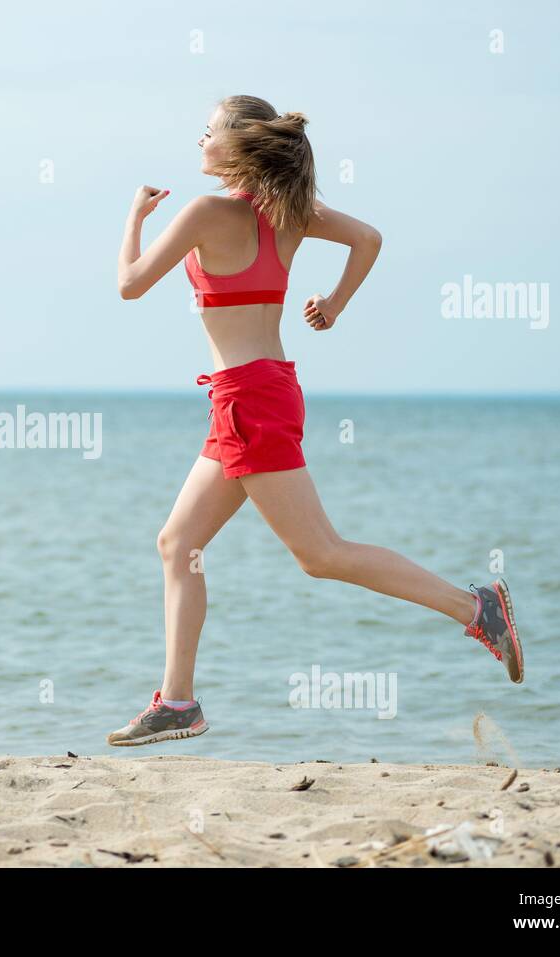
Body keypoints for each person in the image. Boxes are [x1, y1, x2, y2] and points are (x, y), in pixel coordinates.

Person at [108, 94, 523, 747]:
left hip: (251, 399)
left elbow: (131, 283)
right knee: (177, 542)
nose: (199, 142)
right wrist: (333, 305)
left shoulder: (203, 212)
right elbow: (369, 238)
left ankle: (478, 609)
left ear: (241, 143)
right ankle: (178, 701)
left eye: (207, 131)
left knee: (321, 554)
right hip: (252, 394)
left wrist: (133, 216)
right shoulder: (289, 212)